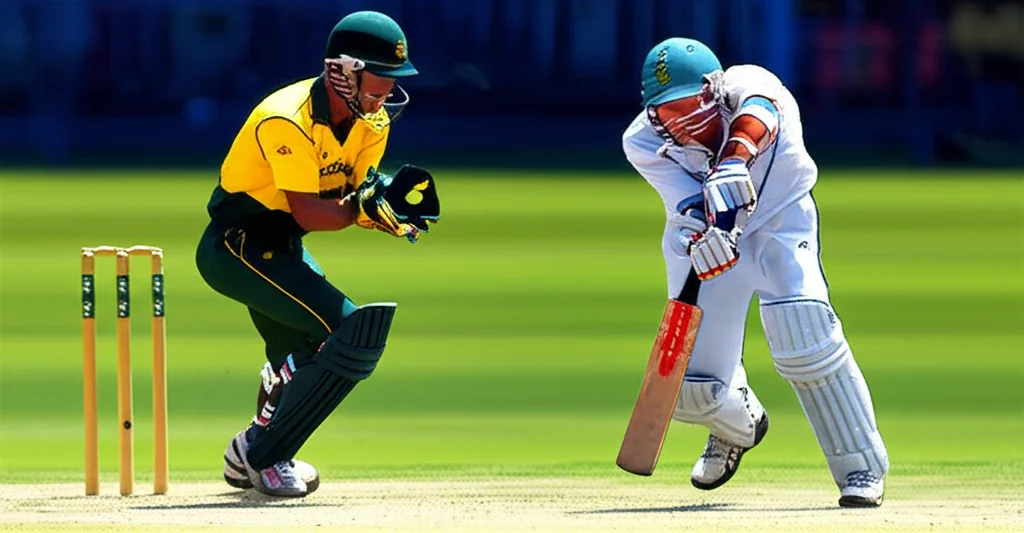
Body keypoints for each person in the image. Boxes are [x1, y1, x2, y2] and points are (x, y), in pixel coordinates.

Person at [621, 37, 888, 507]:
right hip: (705, 241)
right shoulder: (642, 141)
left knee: (804, 338)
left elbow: (759, 114)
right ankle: (737, 427)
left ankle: (860, 468)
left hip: (781, 228)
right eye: (665, 111)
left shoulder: (750, 84)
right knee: (692, 392)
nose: (678, 123)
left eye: (685, 104)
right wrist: (699, 240)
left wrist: (734, 159)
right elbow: (686, 205)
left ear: (711, 90)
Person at [195, 11, 440, 498]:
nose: (387, 91)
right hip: (236, 244)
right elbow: (310, 212)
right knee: (349, 332)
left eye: (394, 80)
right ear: (343, 70)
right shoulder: (285, 118)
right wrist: (361, 209)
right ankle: (259, 450)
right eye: (380, 78)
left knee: (315, 347)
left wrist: (383, 210)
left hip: (281, 248)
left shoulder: (372, 123)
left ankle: (256, 456)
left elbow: (355, 195)